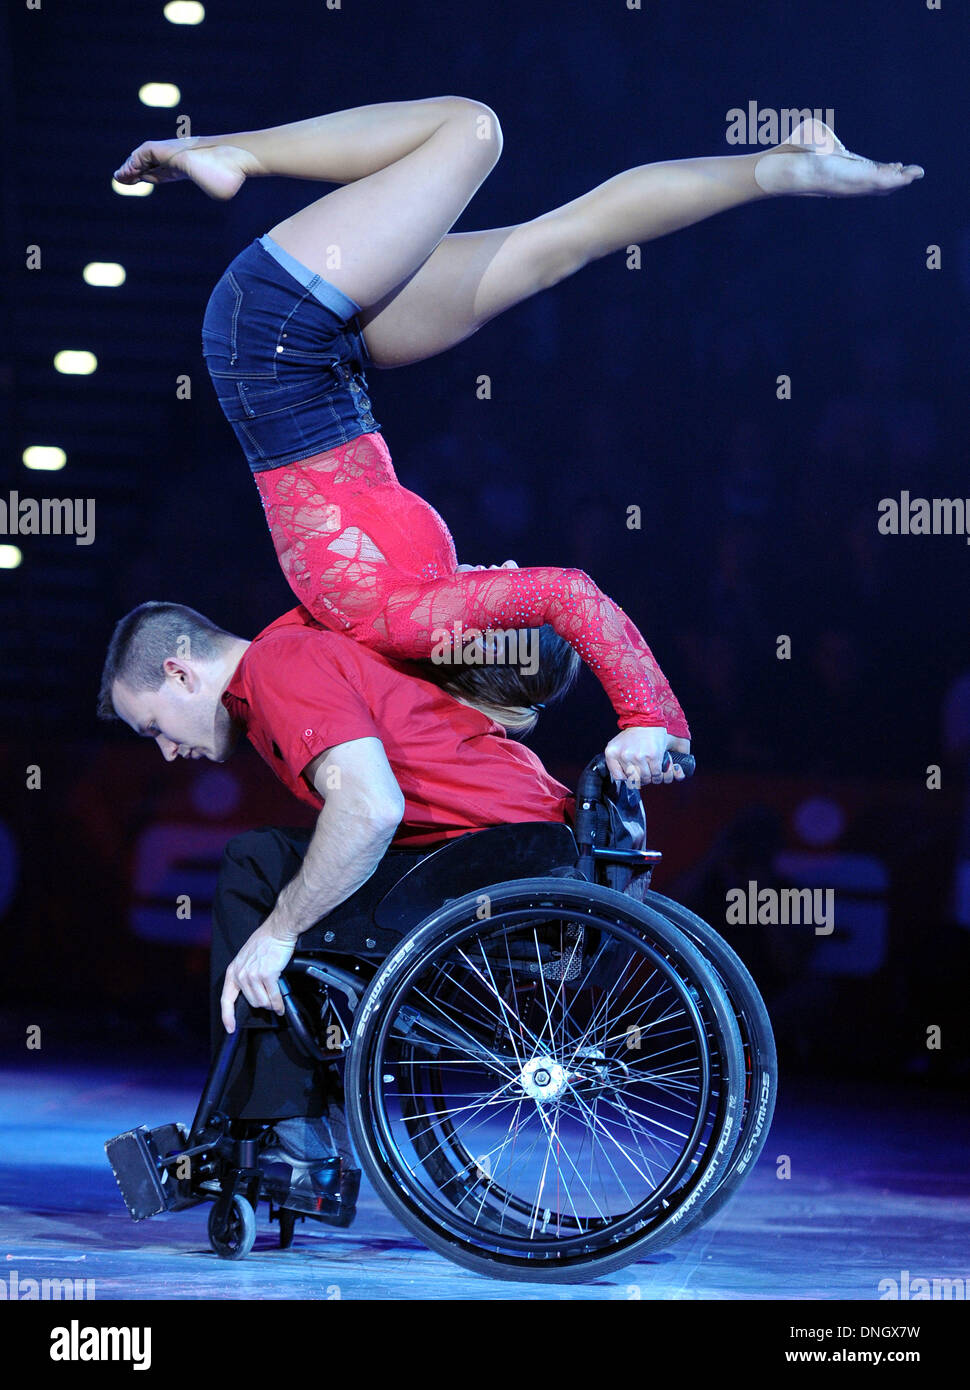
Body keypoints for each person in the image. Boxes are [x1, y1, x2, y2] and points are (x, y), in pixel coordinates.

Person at [112, 98, 922, 787]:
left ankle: (225, 153)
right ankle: (780, 170)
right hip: (332, 358)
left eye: (500, 597)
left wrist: (653, 720)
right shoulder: (387, 621)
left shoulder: (410, 620)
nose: (499, 574)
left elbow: (567, 595)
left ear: (482, 638)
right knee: (561, 242)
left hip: (275, 335)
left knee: (471, 130)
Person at [96, 598, 591, 1214]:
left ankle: (292, 1135)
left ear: (180, 673)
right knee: (285, 870)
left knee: (259, 866)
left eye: (153, 728)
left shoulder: (278, 666)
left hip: (490, 854)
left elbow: (371, 809)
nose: (167, 751)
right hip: (518, 837)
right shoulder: (293, 643)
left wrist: (279, 932)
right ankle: (296, 1119)